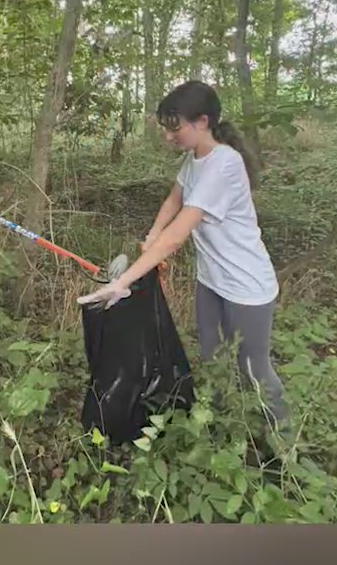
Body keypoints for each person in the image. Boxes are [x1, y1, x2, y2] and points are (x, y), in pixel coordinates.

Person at [77, 79, 290, 425]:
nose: (168, 136)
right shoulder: (195, 160)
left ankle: (282, 439)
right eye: (166, 128)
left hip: (247, 287)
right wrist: (152, 235)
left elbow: (178, 234)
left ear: (202, 122)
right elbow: (173, 201)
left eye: (175, 127)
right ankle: (221, 425)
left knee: (254, 370)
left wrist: (124, 281)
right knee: (212, 357)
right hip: (211, 281)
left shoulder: (225, 164)